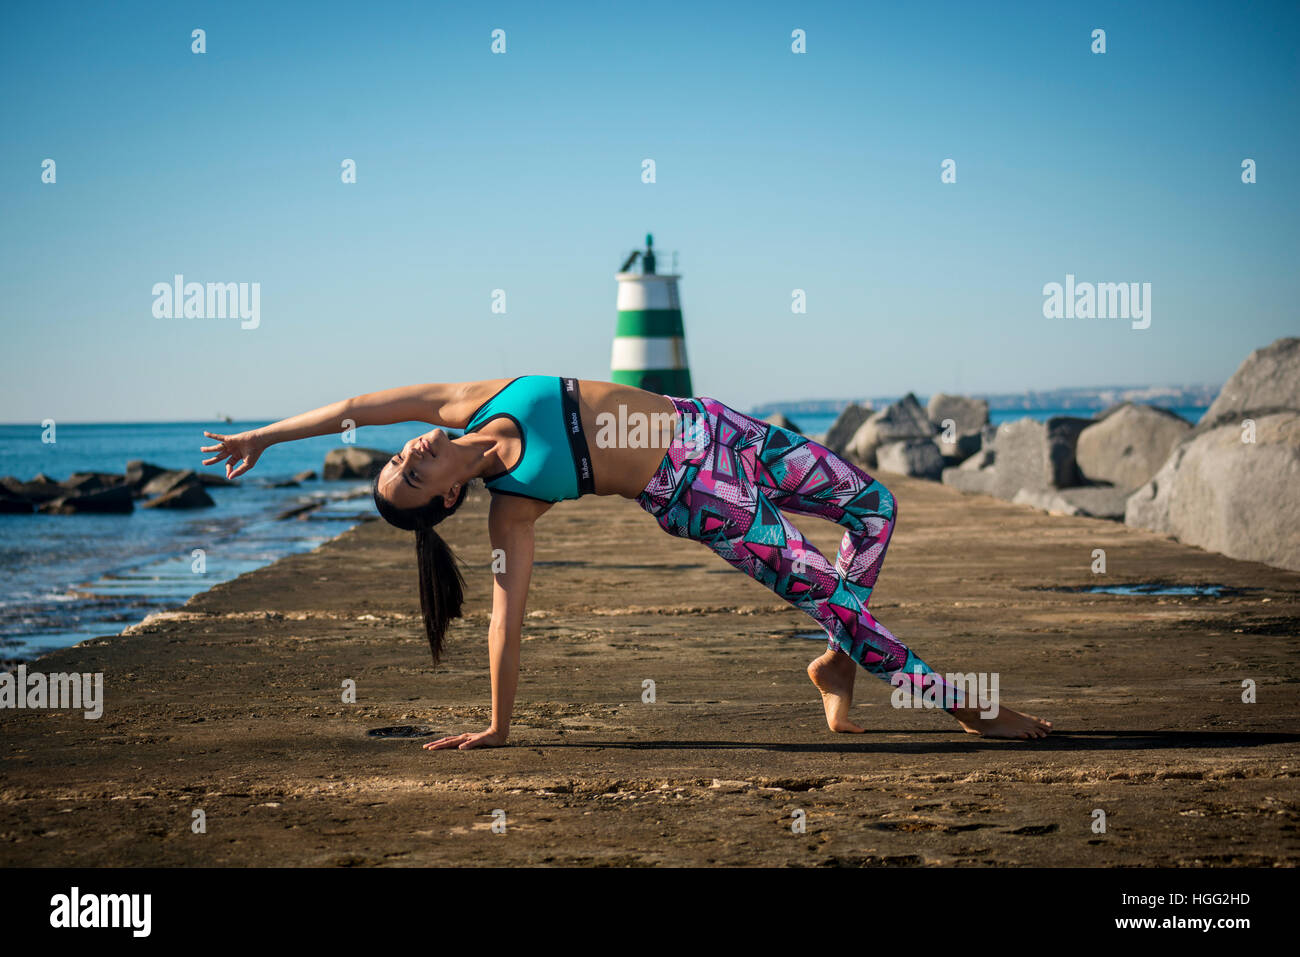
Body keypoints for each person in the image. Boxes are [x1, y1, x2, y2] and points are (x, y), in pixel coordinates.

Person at [201, 375, 1052, 749]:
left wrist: (262, 436)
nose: (413, 450)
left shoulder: (468, 400)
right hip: (701, 490)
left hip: (717, 424)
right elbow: (507, 615)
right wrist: (498, 725)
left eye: (401, 456)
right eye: (414, 473)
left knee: (876, 506)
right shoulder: (515, 504)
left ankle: (836, 660)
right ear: (445, 501)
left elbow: (352, 406)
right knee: (833, 591)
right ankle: (967, 708)